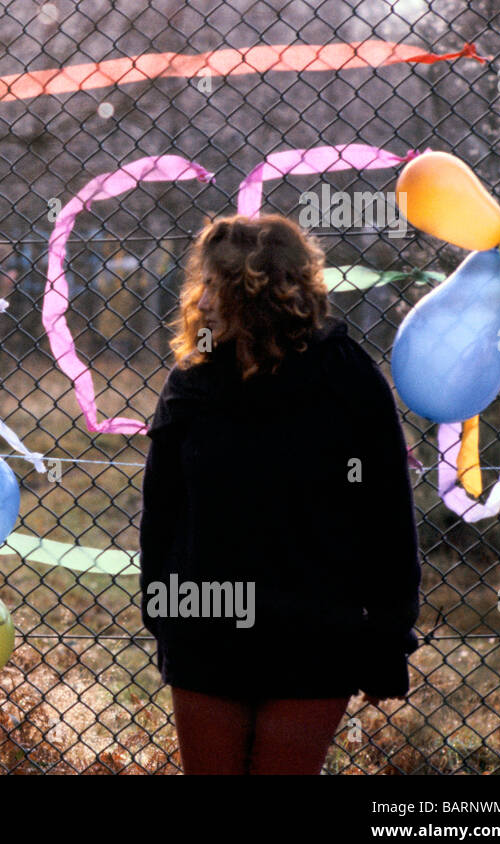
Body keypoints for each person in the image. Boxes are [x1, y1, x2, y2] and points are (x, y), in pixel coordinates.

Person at [138, 214, 421, 775]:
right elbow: (162, 509)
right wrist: (163, 609)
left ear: (260, 293)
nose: (203, 300)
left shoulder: (345, 379)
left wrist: (388, 634)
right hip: (208, 629)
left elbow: (385, 511)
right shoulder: (194, 380)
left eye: (218, 286)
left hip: (312, 635)